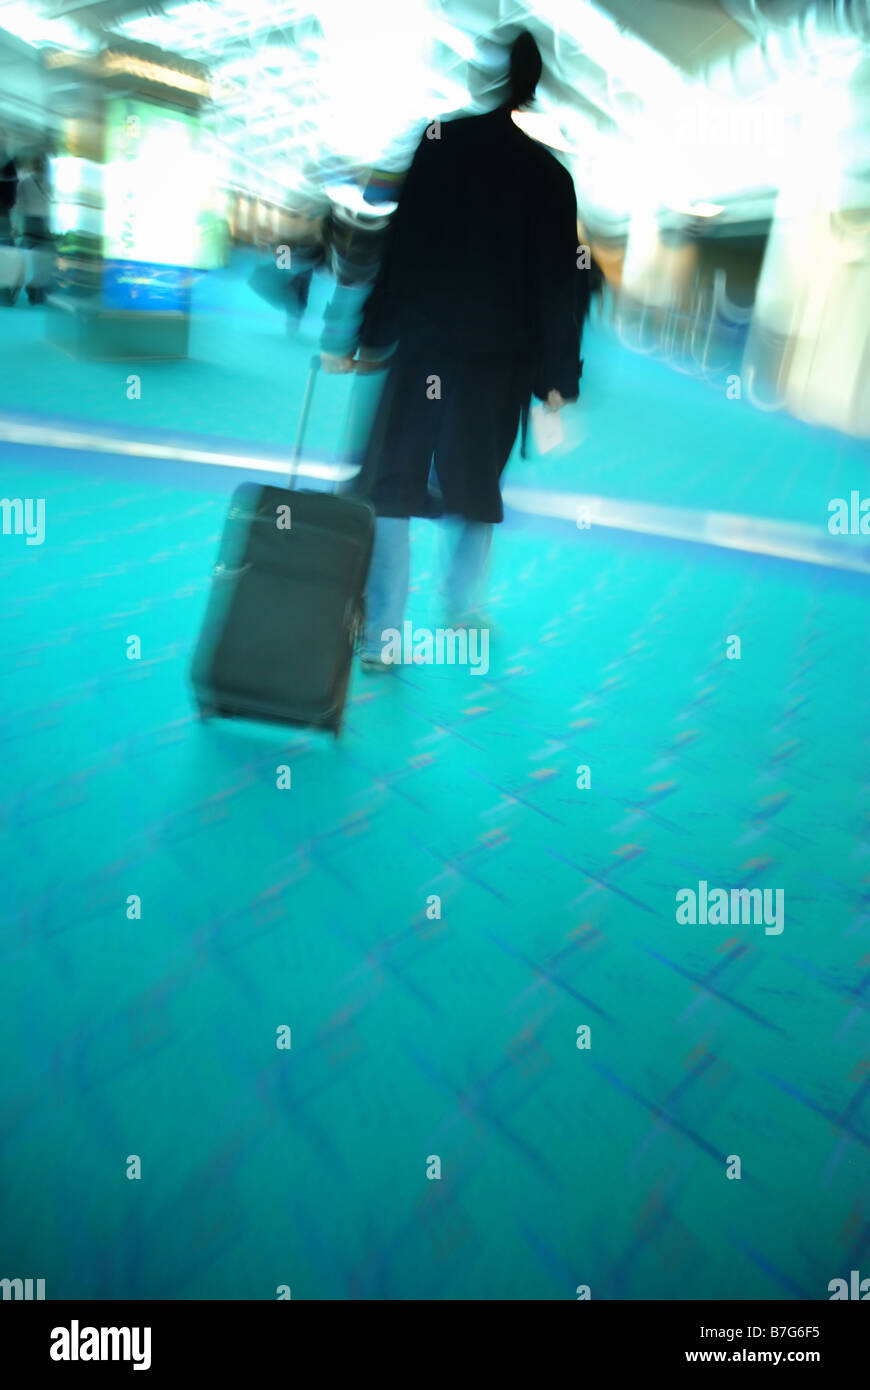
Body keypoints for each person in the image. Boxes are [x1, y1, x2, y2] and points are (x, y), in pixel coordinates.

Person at [339, 31, 582, 671]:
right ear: (533, 86)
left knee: (392, 482)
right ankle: (461, 608)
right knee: (476, 483)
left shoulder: (439, 143)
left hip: (424, 347)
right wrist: (558, 376)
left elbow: (401, 243)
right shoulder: (551, 176)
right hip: (499, 363)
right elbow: (562, 283)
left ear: (485, 77)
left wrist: (369, 333)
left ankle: (384, 636)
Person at [16, 154, 52, 303]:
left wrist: (17, 226)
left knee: (23, 260)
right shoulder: (50, 183)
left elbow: (20, 205)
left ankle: (18, 290)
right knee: (42, 261)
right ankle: (36, 291)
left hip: (29, 223)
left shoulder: (24, 182)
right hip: (43, 224)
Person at [0, 129, 18, 244]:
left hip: (4, 206)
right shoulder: (9, 162)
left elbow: (13, 185)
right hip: (4, 206)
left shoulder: (9, 162)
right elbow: (13, 185)